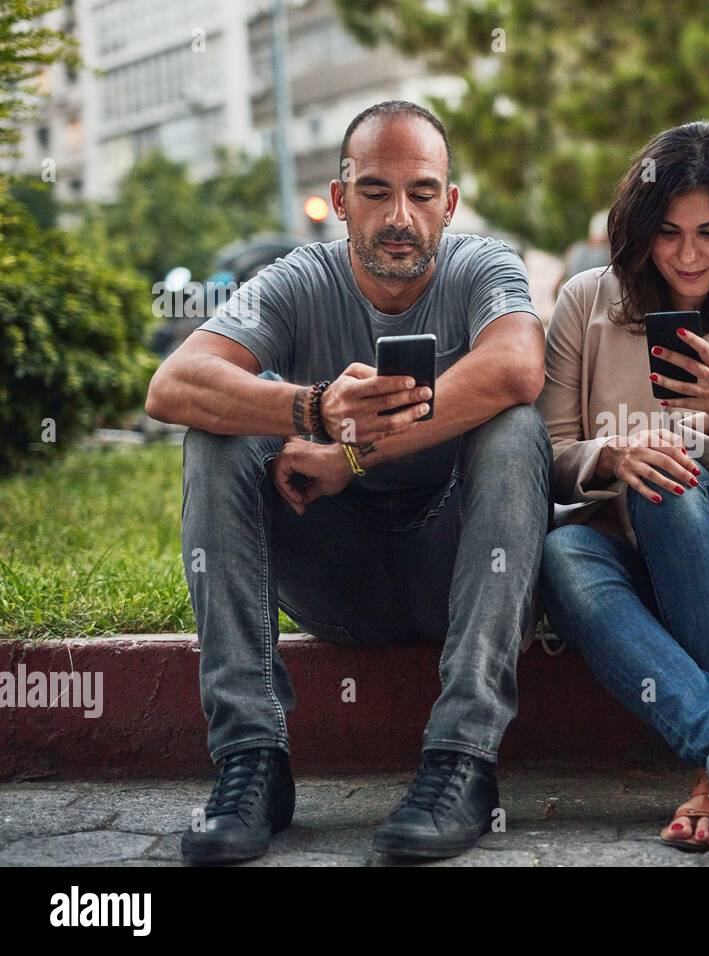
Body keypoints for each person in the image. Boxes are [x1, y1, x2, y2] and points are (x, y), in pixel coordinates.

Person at [145, 100, 550, 864]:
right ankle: (251, 762)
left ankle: (462, 760)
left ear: (450, 203)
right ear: (339, 199)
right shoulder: (297, 280)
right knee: (219, 434)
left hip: (455, 568)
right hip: (340, 580)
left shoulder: (483, 266)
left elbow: (517, 367)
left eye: (422, 192)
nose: (400, 215)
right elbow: (172, 384)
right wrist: (310, 407)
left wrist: (352, 453)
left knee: (514, 423)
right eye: (375, 191)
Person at [537, 121, 709, 863]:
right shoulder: (585, 304)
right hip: (620, 562)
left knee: (672, 476)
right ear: (638, 232)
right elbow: (551, 457)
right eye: (668, 233)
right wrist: (612, 454)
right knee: (562, 550)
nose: (688, 255)